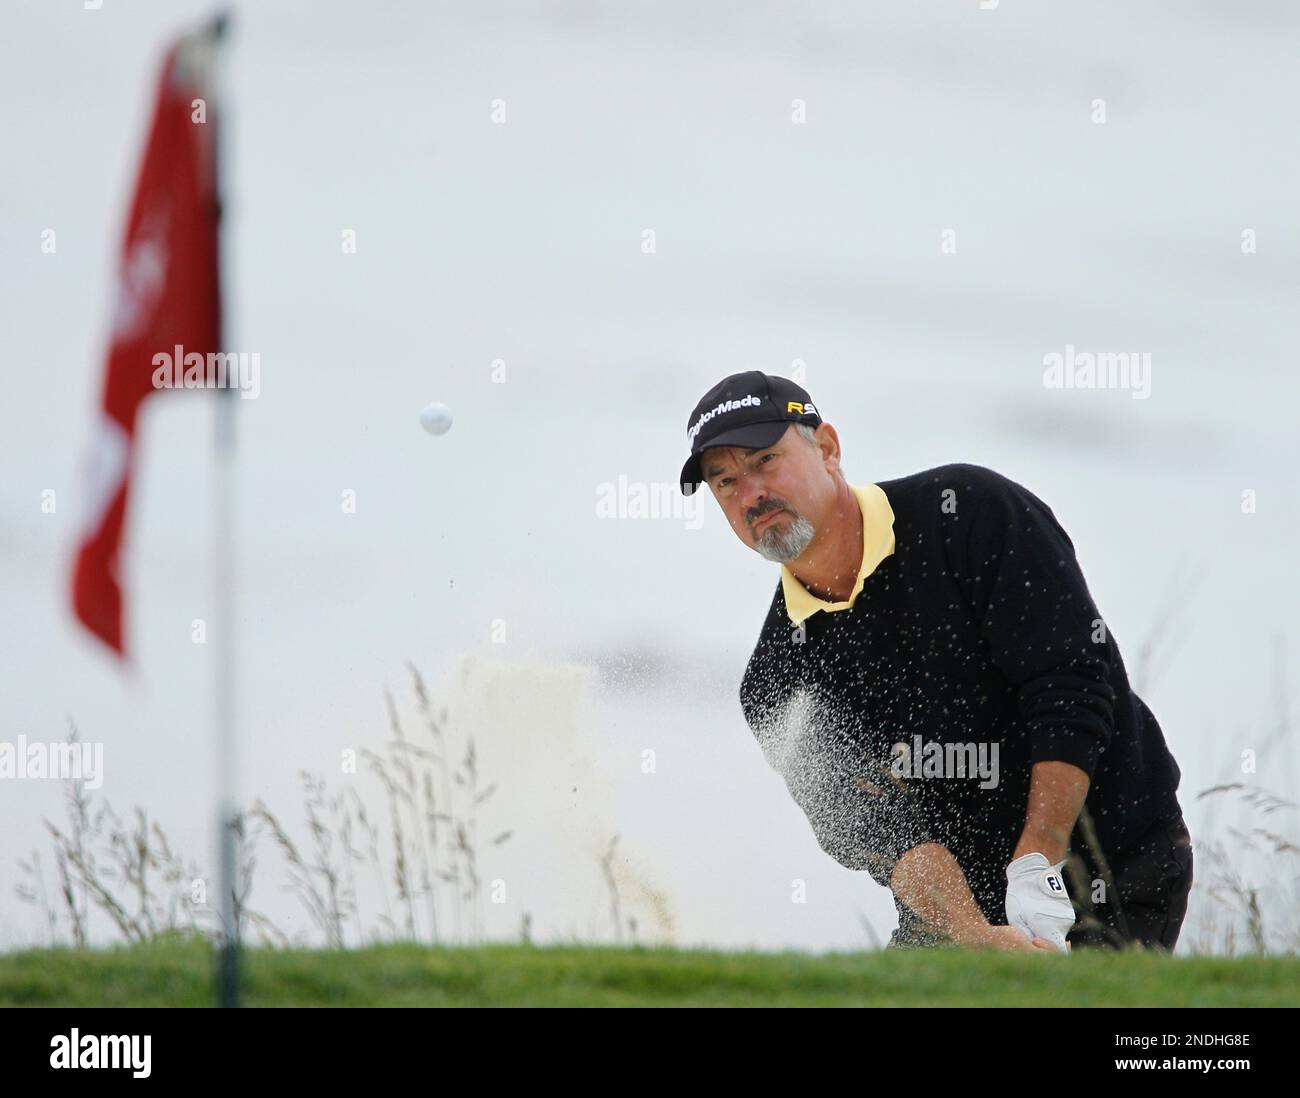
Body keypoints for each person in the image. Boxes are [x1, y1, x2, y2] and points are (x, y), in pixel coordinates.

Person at [679, 371, 1193, 951]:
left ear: (827, 449)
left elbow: (1071, 687)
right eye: (725, 482)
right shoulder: (775, 687)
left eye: (766, 461)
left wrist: (1035, 863)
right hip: (956, 902)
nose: (750, 494)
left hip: (1113, 853)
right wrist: (973, 933)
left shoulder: (970, 513)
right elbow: (883, 833)